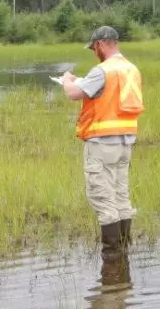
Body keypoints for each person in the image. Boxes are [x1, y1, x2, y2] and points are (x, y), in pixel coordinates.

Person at [61, 26, 144, 258]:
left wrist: (67, 80)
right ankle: (123, 256)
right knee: (121, 197)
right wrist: (83, 80)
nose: (94, 52)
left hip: (102, 144)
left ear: (100, 44)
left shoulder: (103, 70)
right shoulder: (131, 69)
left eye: (94, 47)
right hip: (125, 144)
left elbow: (73, 94)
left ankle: (111, 260)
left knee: (102, 197)